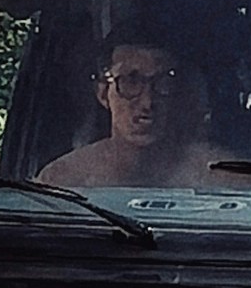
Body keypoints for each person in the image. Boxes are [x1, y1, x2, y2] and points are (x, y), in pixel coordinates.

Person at [39, 37, 217, 189]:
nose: (147, 102)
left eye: (162, 83)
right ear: (103, 93)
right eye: (130, 82)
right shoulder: (63, 182)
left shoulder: (221, 178)